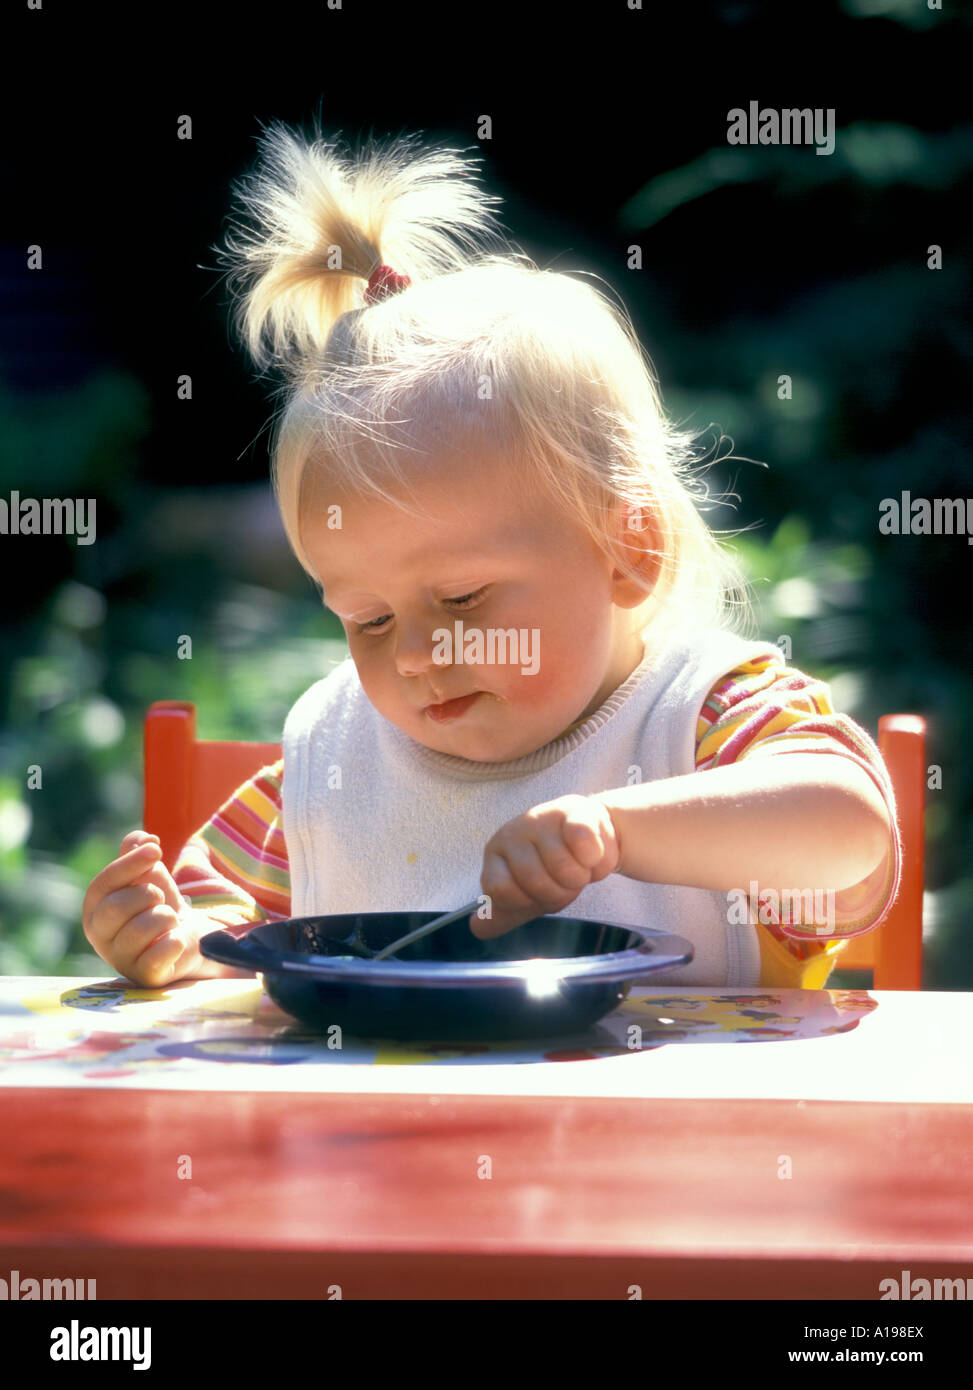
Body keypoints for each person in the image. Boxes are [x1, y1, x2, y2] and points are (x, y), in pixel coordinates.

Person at [82, 120, 900, 991]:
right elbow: (231, 937)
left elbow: (846, 832)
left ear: (628, 549)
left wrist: (620, 830)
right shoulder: (334, 761)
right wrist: (169, 938)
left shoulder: (702, 719)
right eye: (368, 618)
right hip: (376, 1128)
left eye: (464, 599)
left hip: (681, 1130)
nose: (411, 656)